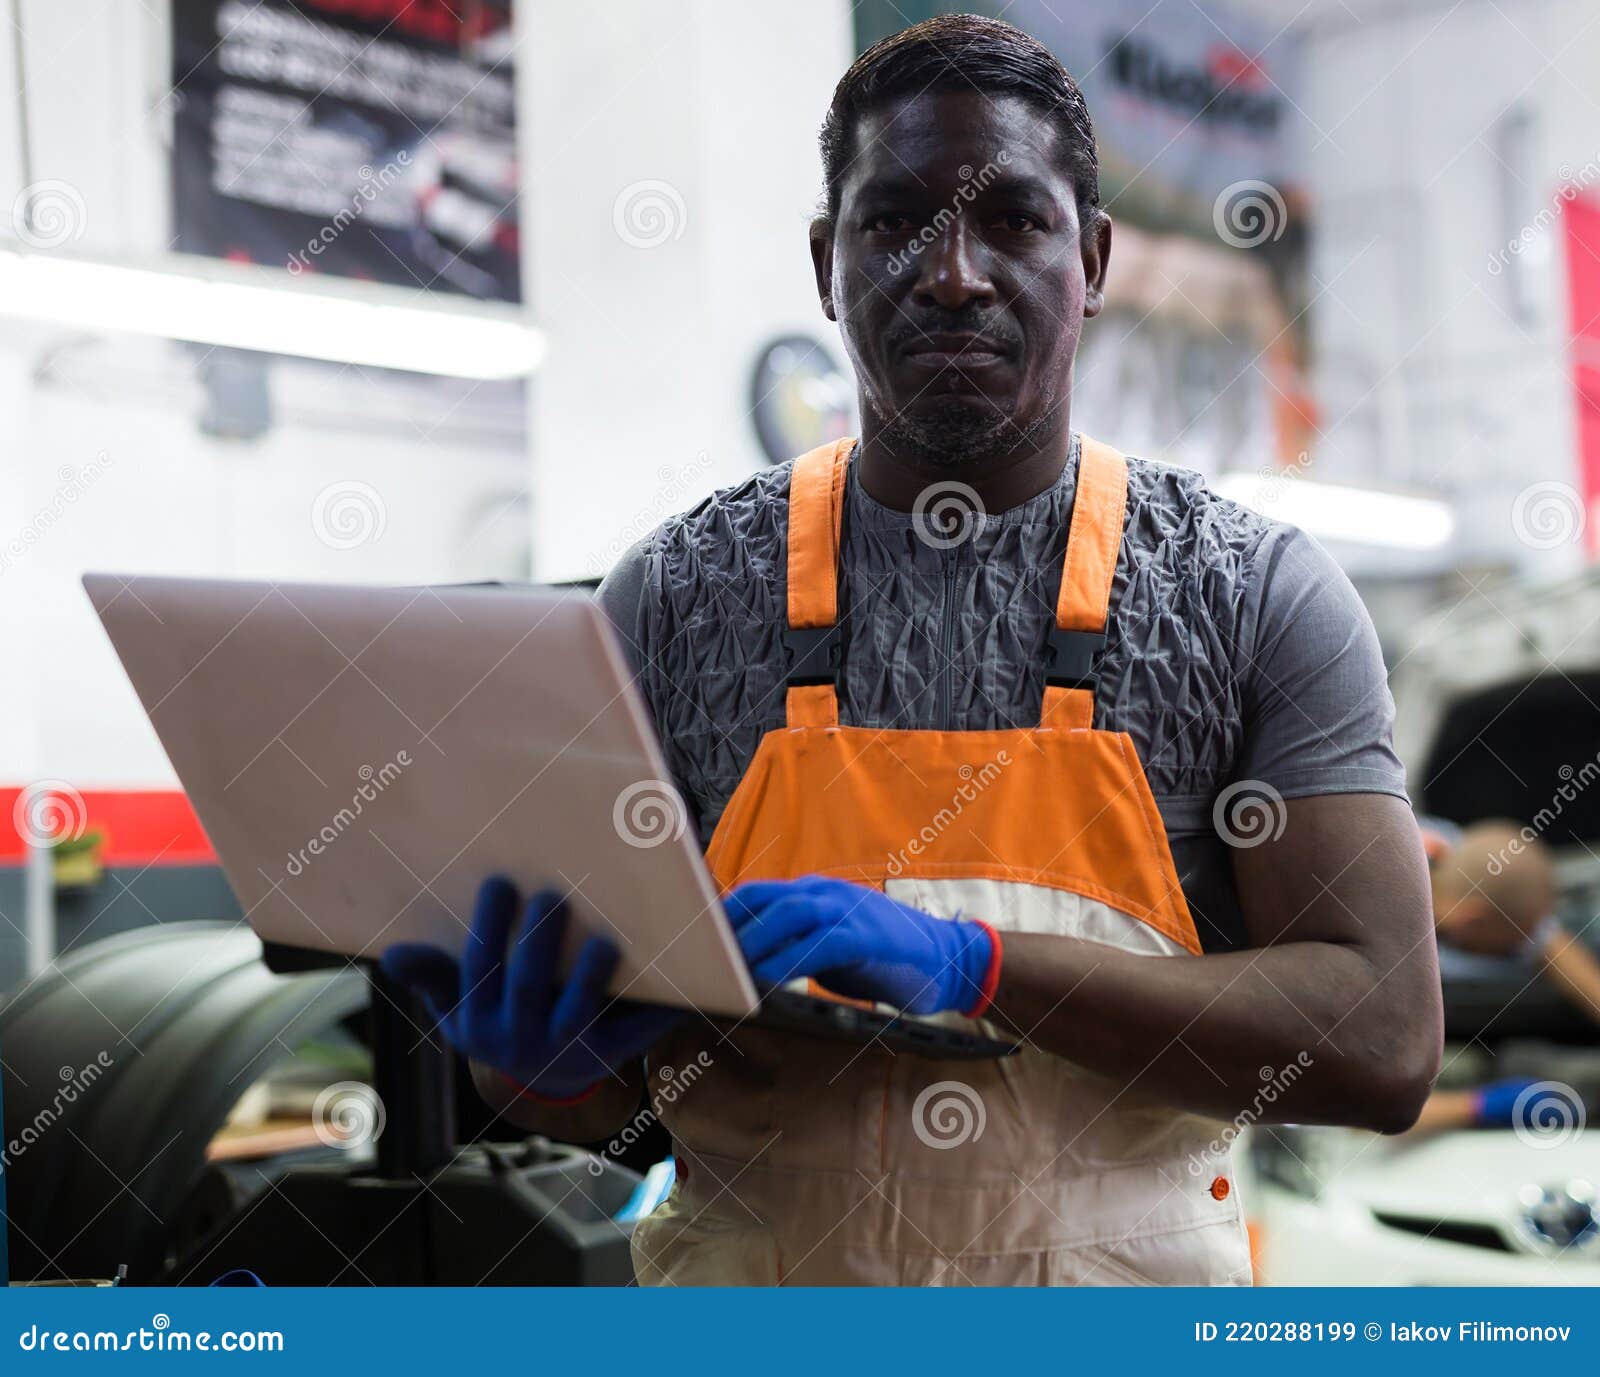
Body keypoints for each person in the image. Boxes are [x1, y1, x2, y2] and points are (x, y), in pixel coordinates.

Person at [384, 15, 1441, 1286]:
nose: (951, 273)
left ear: (1093, 257)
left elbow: (1381, 1045)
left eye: (1013, 220)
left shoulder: (1251, 595)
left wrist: (973, 965)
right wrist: (537, 1066)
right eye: (892, 223)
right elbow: (594, 1108)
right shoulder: (670, 601)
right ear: (829, 263)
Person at [1413, 819, 1600, 1131]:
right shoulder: (1371, 931)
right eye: (1516, 941)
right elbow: (1358, 1109)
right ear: (1473, 920)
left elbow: (1550, 945)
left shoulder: (1459, 855)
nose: (1527, 946)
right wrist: (1477, 1106)